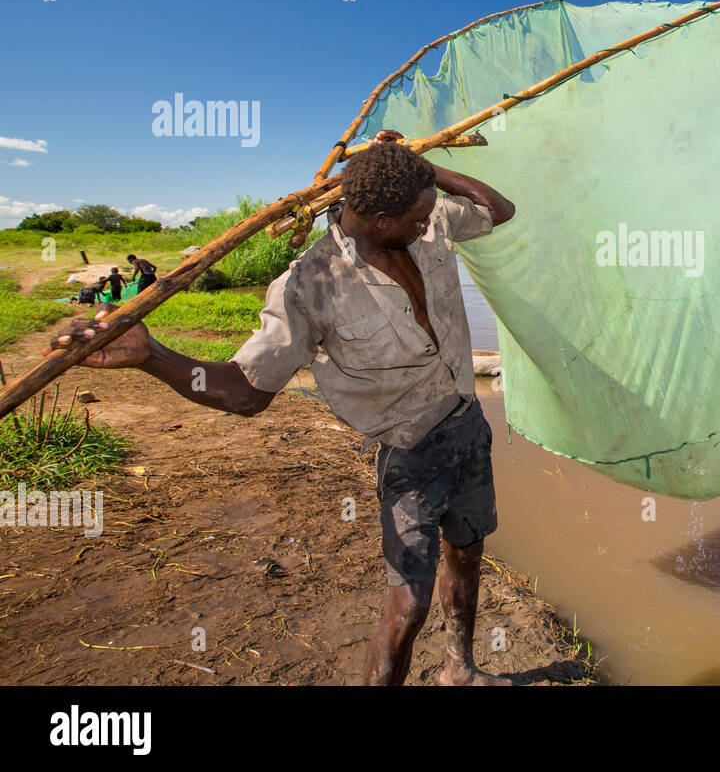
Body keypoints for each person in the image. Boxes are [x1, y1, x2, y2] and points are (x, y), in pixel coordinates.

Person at [49, 135, 517, 685]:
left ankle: (460, 669)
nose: (427, 222)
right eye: (415, 216)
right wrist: (152, 356)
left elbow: (498, 209)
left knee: (467, 549)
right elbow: (247, 391)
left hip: (468, 424)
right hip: (410, 452)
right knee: (408, 605)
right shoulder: (310, 286)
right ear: (381, 217)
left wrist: (425, 169)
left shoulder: (428, 222)